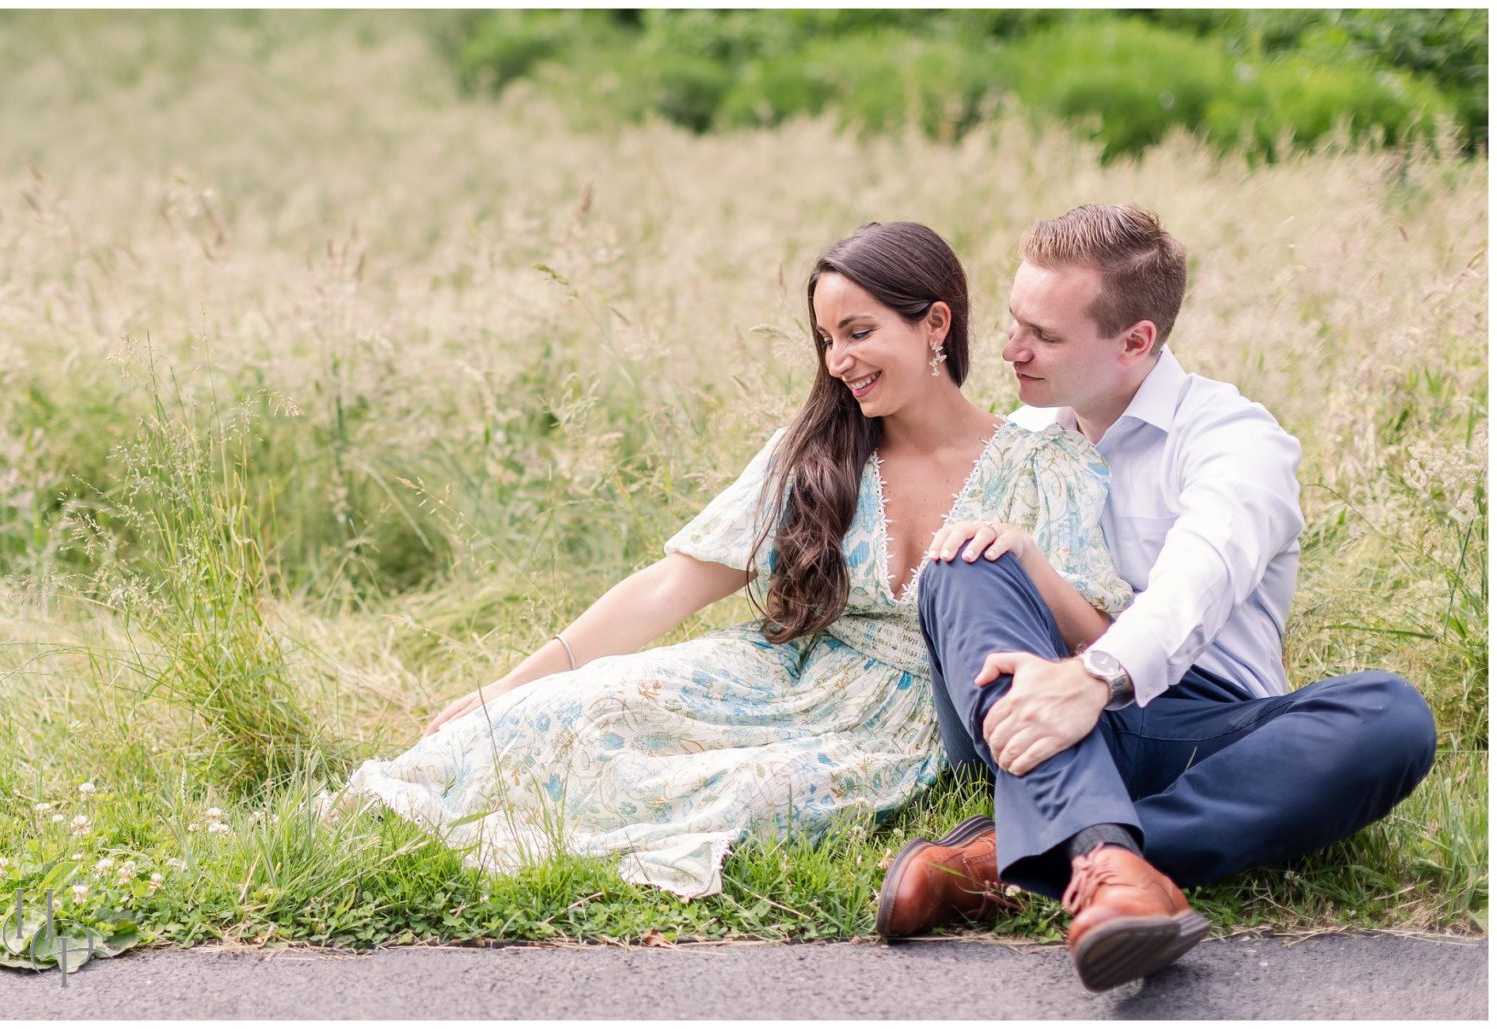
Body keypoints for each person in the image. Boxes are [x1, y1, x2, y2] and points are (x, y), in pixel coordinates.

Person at [313, 221, 1132, 899]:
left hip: (910, 722)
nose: (838, 360)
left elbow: (1096, 634)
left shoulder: (1042, 465)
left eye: (858, 332)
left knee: (738, 791)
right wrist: (507, 689)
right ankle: (412, 799)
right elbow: (670, 586)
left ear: (936, 325)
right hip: (786, 673)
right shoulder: (817, 451)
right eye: (826, 340)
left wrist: (1024, 554)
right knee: (587, 705)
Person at [875, 204, 1438, 992]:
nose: (1009, 349)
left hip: (1197, 725)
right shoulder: (1027, 435)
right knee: (964, 561)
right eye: (1013, 321)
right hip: (1024, 707)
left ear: (1135, 342)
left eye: (1045, 335)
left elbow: (1193, 585)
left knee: (1392, 716)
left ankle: (1029, 854)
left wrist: (1095, 677)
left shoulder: (1233, 440)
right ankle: (1104, 862)